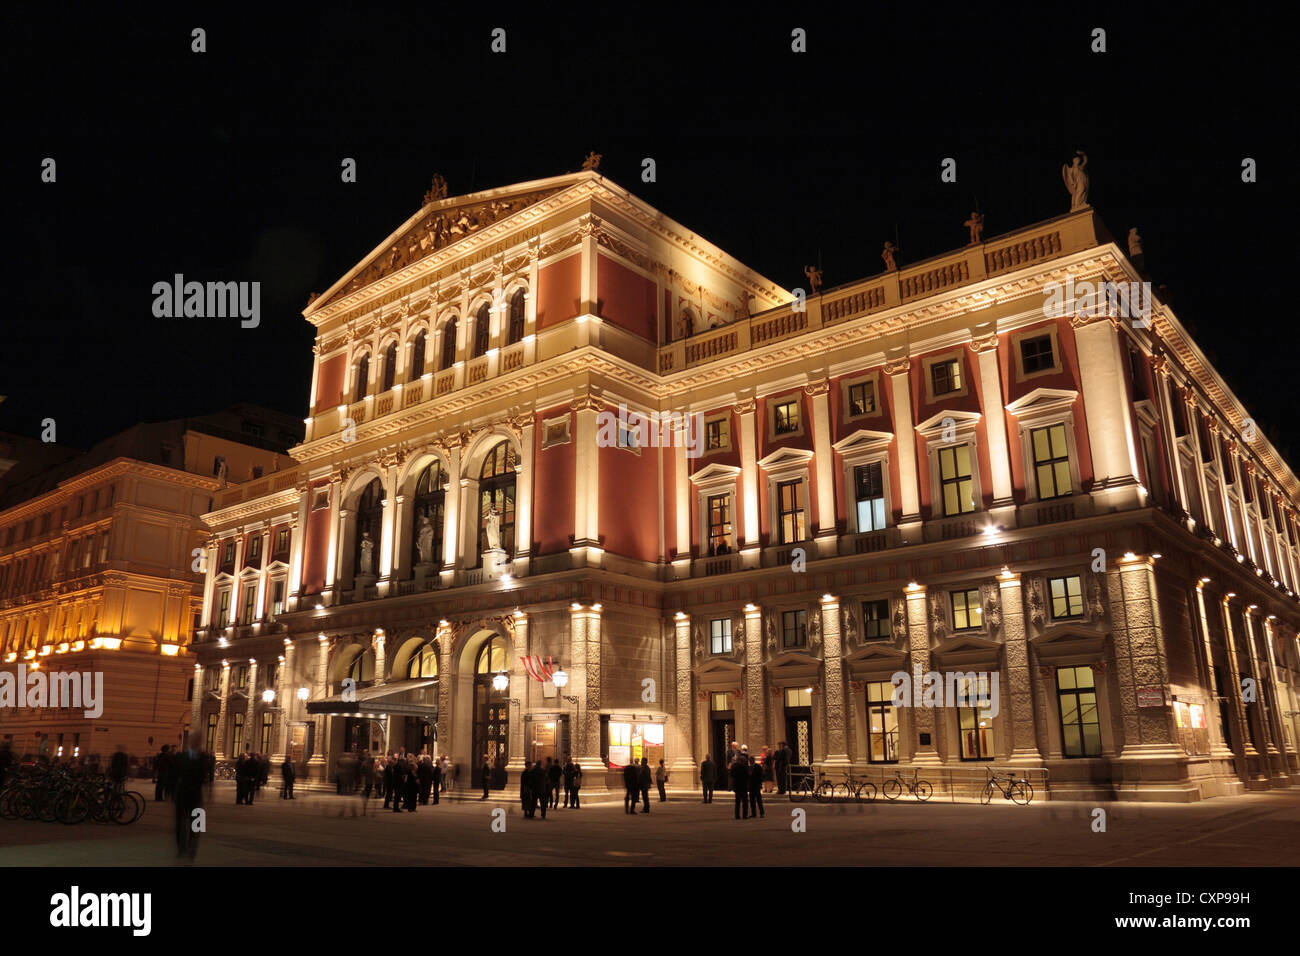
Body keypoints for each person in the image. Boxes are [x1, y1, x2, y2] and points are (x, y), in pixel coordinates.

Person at [172, 731, 207, 861]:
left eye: (198, 740)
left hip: (196, 797)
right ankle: (181, 848)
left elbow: (205, 778)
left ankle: (192, 849)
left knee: (197, 825)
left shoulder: (204, 757)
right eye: (194, 740)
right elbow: (174, 775)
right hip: (181, 796)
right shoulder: (181, 756)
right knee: (180, 824)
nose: (196, 742)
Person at [730, 747, 750, 820]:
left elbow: (731, 775)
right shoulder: (744, 767)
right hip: (743, 785)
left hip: (737, 785)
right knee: (745, 801)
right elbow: (747, 776)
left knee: (737, 801)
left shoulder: (734, 766)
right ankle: (744, 815)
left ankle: (737, 815)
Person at [748, 752, 765, 818]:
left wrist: (760, 784)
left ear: (753, 760)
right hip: (751, 786)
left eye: (751, 760)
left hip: (756, 786)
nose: (750, 761)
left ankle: (762, 813)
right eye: (750, 760)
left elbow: (761, 776)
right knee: (752, 801)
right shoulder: (748, 767)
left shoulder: (758, 767)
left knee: (759, 800)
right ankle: (753, 813)